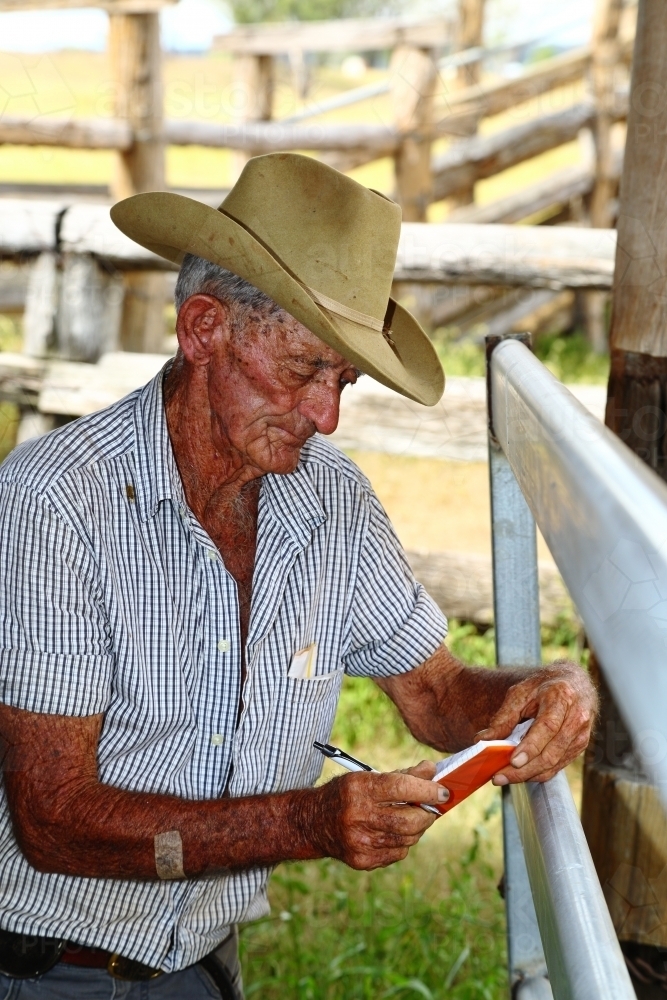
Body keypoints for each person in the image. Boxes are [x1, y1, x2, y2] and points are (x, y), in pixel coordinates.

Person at [0, 154, 596, 997]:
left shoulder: (330, 499)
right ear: (203, 330)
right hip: (44, 970)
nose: (326, 415)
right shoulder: (58, 503)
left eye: (343, 378)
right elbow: (52, 821)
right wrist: (304, 821)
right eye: (302, 370)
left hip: (201, 970)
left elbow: (433, 691)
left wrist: (541, 689)